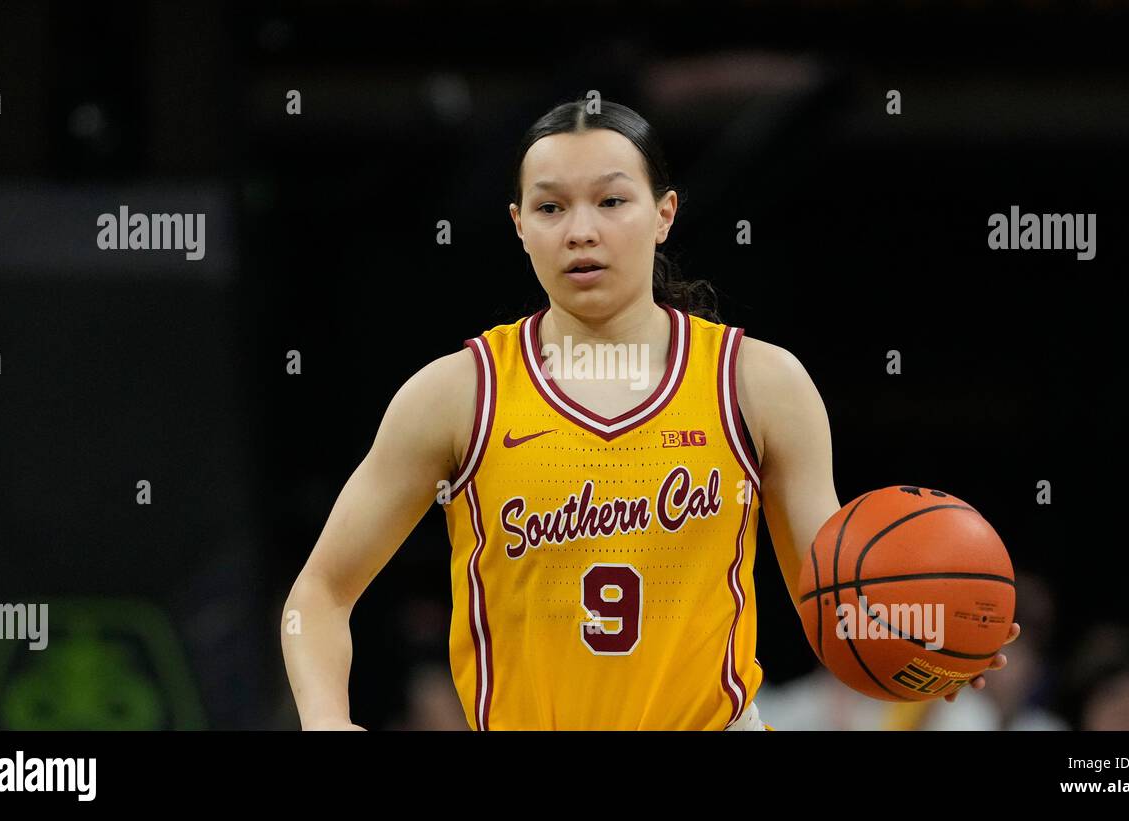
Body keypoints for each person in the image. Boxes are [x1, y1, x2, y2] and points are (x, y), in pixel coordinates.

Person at [280, 99, 1019, 730]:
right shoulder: (457, 393)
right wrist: (323, 718)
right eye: (549, 206)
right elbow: (318, 593)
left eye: (610, 200)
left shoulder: (759, 382)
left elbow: (828, 605)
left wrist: (928, 643)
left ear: (664, 213)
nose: (581, 231)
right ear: (517, 225)